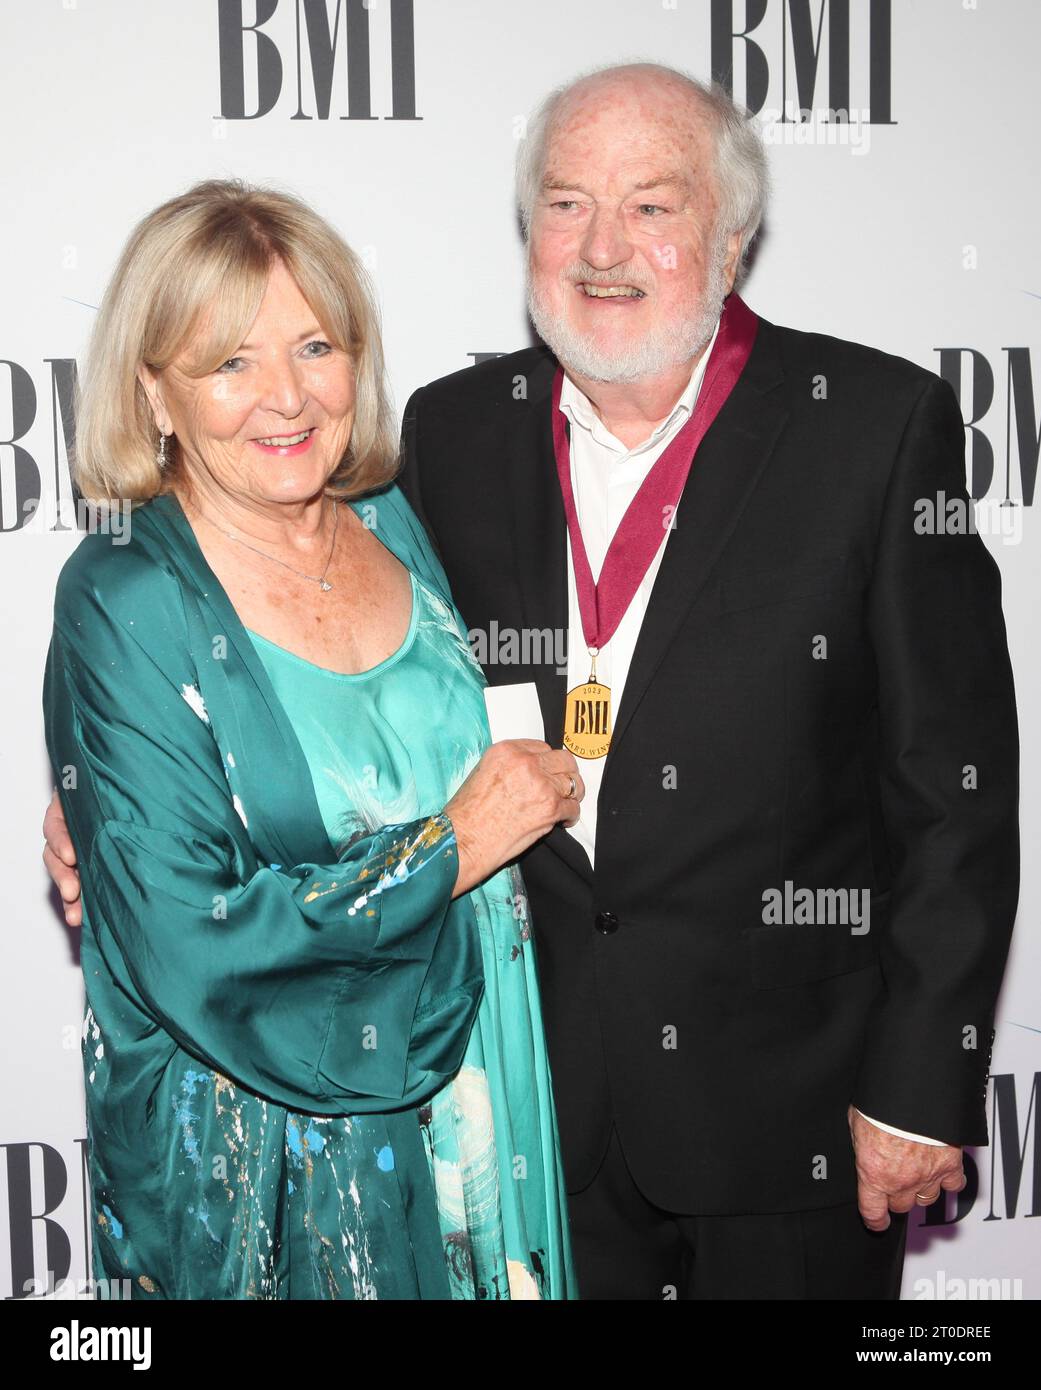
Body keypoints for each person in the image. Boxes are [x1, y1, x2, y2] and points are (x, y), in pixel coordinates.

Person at [46, 64, 1021, 1301]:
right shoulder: (446, 441)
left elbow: (956, 788)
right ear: (527, 232)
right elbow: (286, 687)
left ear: (732, 236)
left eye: (653, 207)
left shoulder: (876, 429)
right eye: (566, 204)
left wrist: (923, 1080)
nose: (604, 247)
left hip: (794, 1115)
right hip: (524, 1112)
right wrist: (117, 802)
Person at [41, 178, 581, 1300]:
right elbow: (195, 940)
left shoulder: (391, 516)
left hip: (488, 1078)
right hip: (283, 1159)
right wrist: (455, 848)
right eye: (228, 362)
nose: (285, 397)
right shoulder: (128, 597)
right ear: (154, 391)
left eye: (315, 345)